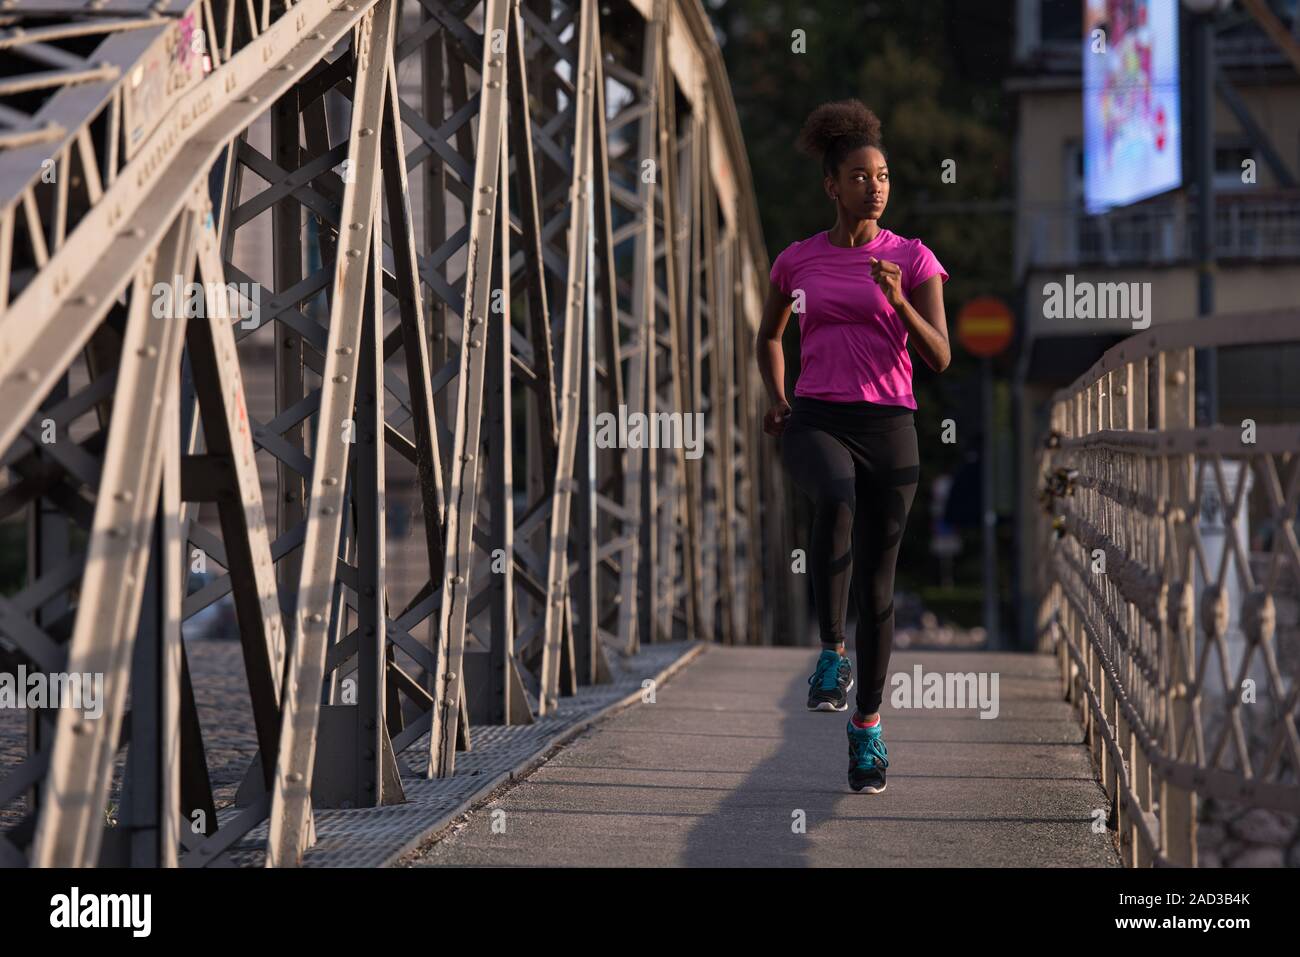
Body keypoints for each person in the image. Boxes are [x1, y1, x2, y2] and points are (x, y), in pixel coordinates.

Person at [755, 99, 950, 793]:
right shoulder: (798, 260)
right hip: (816, 417)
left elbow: (941, 356)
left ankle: (866, 728)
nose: (876, 185)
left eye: (884, 175)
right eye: (862, 175)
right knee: (833, 493)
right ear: (832, 185)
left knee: (879, 586)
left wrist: (899, 303)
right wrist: (778, 398)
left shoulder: (913, 258)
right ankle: (831, 652)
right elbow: (770, 335)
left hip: (890, 425)